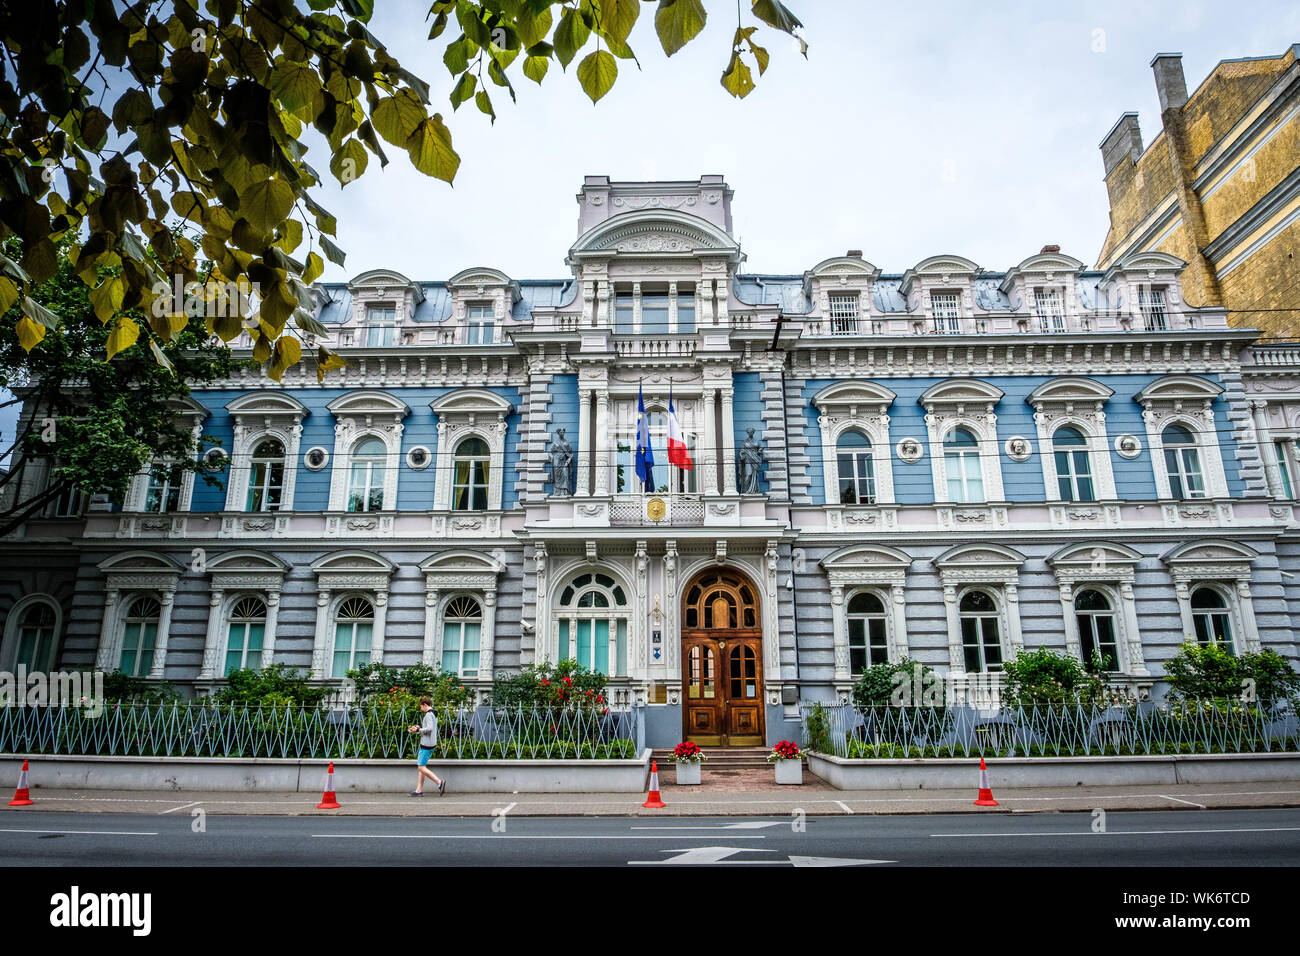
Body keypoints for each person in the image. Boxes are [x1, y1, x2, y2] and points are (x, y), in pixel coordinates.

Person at [407, 696, 446, 796]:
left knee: (421, 767)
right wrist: (420, 727)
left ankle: (439, 782)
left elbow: (429, 728)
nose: (421, 709)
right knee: (422, 766)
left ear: (425, 705)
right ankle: (419, 790)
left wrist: (418, 730)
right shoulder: (434, 712)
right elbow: (430, 727)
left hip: (426, 744)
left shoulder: (428, 715)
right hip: (431, 743)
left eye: (421, 707)